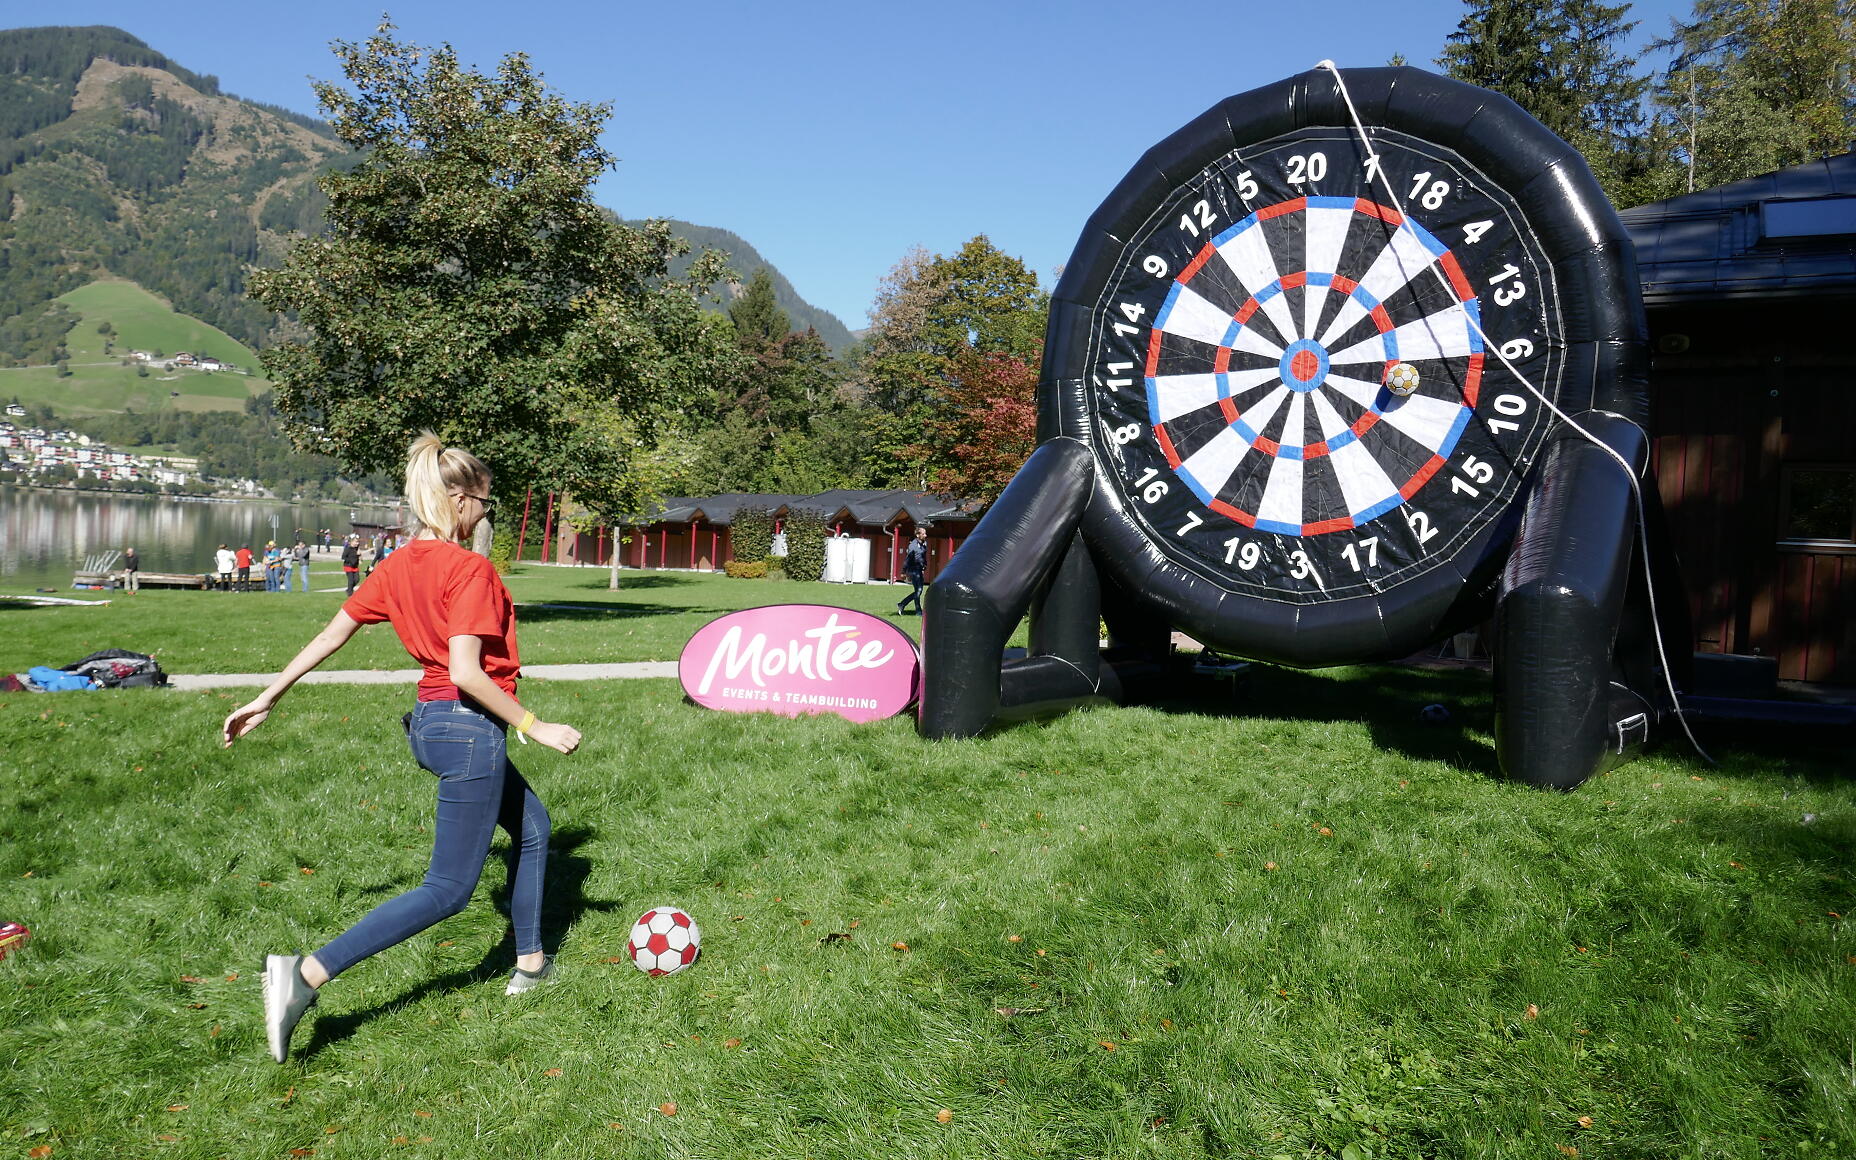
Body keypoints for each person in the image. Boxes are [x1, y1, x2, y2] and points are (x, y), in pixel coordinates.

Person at [224, 433, 580, 1065]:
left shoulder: (394, 565)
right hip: (468, 729)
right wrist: (535, 724)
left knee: (532, 829)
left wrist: (268, 696)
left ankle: (529, 963)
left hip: (432, 724)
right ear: (459, 500)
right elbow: (467, 671)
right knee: (447, 890)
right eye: (483, 503)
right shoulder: (469, 568)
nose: (485, 516)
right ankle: (304, 975)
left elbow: (334, 633)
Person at [896, 526, 929, 615]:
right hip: (913, 570)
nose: (925, 535)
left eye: (925, 533)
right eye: (923, 534)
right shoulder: (913, 546)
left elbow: (923, 556)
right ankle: (910, 607)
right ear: (918, 535)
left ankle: (907, 606)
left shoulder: (924, 543)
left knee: (918, 590)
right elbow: (907, 559)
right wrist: (903, 572)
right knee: (919, 590)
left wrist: (925, 565)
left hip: (919, 569)